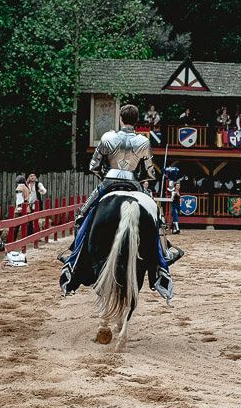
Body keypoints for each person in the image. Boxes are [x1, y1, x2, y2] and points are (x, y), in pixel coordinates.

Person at [61, 104, 183, 299]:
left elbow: (94, 166)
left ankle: (74, 256)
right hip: (135, 184)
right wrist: (138, 177)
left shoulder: (108, 137)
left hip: (109, 181)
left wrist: (106, 178)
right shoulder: (143, 141)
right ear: (136, 121)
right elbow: (150, 173)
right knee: (157, 220)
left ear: (120, 118)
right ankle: (164, 256)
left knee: (83, 215)